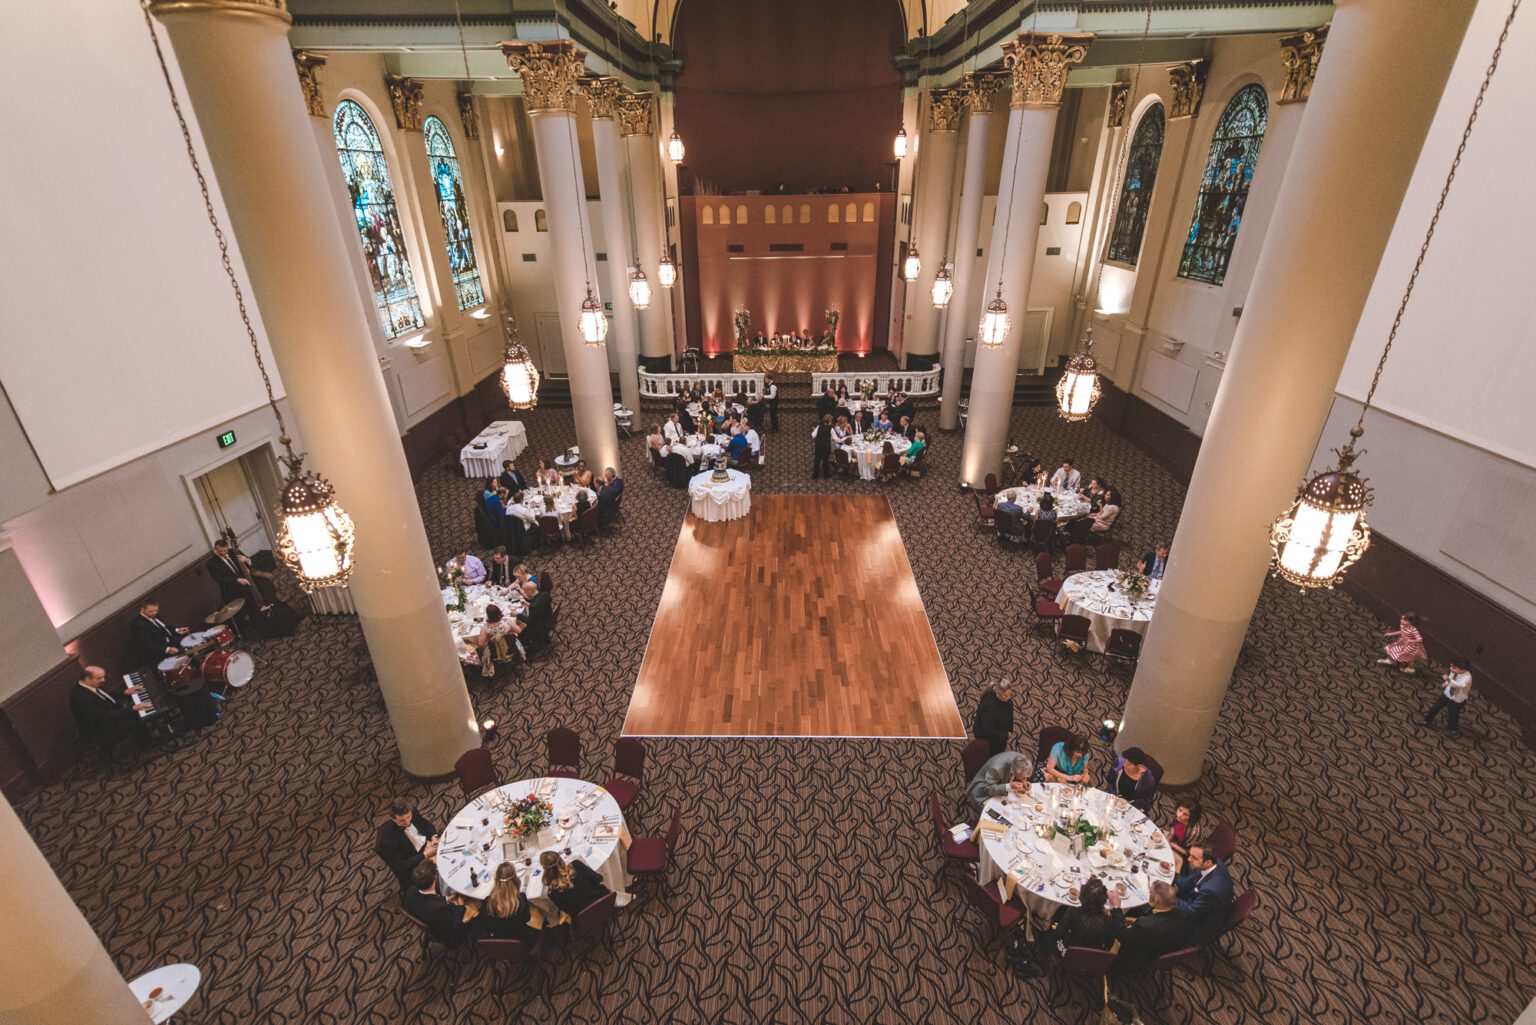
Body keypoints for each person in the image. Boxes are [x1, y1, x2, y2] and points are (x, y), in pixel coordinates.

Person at [1111, 881, 1193, 972]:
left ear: (1157, 900)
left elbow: (1121, 935)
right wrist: (1137, 922)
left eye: (1150, 892)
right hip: (1163, 950)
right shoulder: (1183, 913)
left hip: (1134, 959)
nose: (1149, 894)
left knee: (1108, 923)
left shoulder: (1146, 926)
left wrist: (1116, 907)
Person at [70, 665, 149, 749]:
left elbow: (107, 694)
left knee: (134, 711)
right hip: (99, 728)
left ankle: (147, 737)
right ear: (87, 679)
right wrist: (131, 709)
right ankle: (146, 746)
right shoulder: (81, 697)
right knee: (133, 720)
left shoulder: (89, 684)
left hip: (107, 716)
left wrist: (125, 692)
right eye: (99, 678)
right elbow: (104, 716)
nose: (103, 680)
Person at [401, 860, 473, 947]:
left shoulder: (410, 891)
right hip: (451, 935)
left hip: (428, 918)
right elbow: (455, 925)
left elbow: (429, 900)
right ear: (435, 878)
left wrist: (446, 898)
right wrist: (461, 905)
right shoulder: (439, 908)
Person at [1173, 846, 1233, 942]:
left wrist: (1169, 897)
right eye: (1190, 855)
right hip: (1197, 900)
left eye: (1194, 858)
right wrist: (1169, 873)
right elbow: (1186, 883)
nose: (1188, 859)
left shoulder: (1211, 890)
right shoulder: (1210, 864)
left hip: (1199, 923)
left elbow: (1192, 911)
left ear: (1208, 862)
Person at [375, 798, 438, 888]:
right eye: (402, 820)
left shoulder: (412, 811)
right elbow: (402, 865)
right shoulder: (387, 841)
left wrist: (434, 837)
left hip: (428, 845)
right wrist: (425, 855)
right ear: (393, 819)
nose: (407, 822)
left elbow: (425, 824)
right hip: (416, 861)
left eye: (409, 817)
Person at [1048, 877, 1122, 951]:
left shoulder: (1073, 912)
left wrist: (1063, 950)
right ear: (1104, 900)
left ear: (1081, 897)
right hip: (1092, 959)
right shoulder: (1108, 920)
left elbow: (1057, 936)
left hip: (1069, 955)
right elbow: (1109, 945)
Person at [476, 863, 541, 941]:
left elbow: (485, 922)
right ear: (515, 879)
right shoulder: (521, 899)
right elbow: (527, 918)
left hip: (499, 943)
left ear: (496, 880)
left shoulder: (488, 902)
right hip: (523, 941)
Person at [539, 851, 610, 918]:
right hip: (605, 902)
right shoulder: (576, 865)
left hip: (585, 918)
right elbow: (599, 878)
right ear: (560, 859)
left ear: (545, 869)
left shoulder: (551, 893)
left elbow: (566, 910)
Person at [205, 538, 268, 610]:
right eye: (220, 551)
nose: (223, 553)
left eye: (225, 550)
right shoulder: (211, 564)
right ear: (215, 549)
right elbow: (220, 579)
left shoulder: (234, 552)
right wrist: (237, 580)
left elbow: (251, 564)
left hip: (249, 587)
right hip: (233, 592)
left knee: (260, 605)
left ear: (228, 546)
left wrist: (247, 560)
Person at [964, 751, 1031, 817]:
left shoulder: (1022, 760)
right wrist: (1009, 786)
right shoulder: (996, 768)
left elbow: (1022, 773)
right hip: (982, 790)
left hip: (1000, 783)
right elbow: (988, 789)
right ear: (1015, 771)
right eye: (1023, 777)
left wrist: (1024, 780)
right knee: (1002, 815)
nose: (1025, 779)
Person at [1422, 658, 1472, 737]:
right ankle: (1427, 721)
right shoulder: (1453, 671)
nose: (1451, 668)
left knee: (1453, 715)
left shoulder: (1467, 678)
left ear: (1463, 670)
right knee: (1435, 707)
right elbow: (1450, 678)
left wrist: (1448, 680)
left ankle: (1452, 730)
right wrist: (1445, 683)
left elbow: (1460, 685)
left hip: (1457, 699)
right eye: (1451, 666)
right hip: (1447, 694)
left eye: (1454, 668)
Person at [129, 600, 189, 666]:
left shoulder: (153, 615)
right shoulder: (138, 625)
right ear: (142, 610)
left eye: (156, 610)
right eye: (151, 611)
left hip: (171, 641)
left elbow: (165, 625)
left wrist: (177, 630)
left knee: (190, 642)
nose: (154, 613)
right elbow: (147, 645)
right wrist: (167, 649)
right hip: (159, 652)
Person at [972, 679, 1015, 757]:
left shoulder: (1007, 702)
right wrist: (1004, 735)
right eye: (1006, 695)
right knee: (991, 755)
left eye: (1010, 694)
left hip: (1000, 732)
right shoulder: (989, 709)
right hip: (987, 737)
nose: (1009, 698)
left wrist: (1009, 730)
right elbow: (986, 729)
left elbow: (1009, 716)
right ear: (998, 694)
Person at [811, 414, 834, 480]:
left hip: (819, 445)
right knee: (825, 461)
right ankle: (825, 475)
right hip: (826, 446)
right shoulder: (831, 429)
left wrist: (814, 430)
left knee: (817, 460)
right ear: (830, 421)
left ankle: (815, 475)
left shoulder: (819, 427)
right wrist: (844, 439)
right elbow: (835, 438)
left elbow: (813, 436)